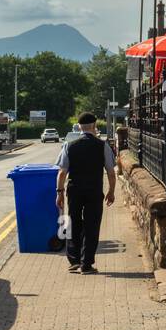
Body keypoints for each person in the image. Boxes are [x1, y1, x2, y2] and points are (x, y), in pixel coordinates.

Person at [55, 112, 117, 275]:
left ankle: (74, 261)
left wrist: (59, 193)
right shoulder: (102, 146)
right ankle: (86, 264)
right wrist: (111, 191)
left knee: (73, 223)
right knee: (92, 225)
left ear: (80, 127)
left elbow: (62, 172)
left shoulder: (69, 145)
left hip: (74, 190)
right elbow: (111, 172)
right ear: (95, 126)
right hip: (94, 190)